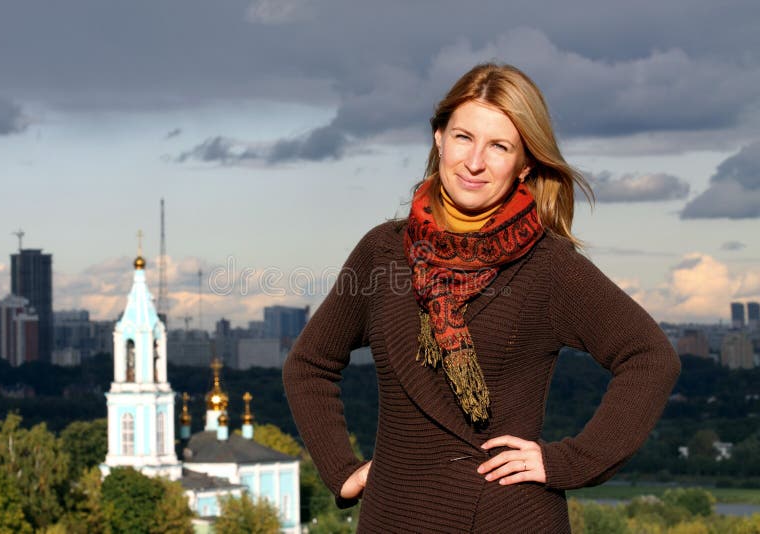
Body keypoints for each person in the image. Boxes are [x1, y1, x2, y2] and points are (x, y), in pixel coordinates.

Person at [283, 63, 680, 533]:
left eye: (499, 146)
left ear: (525, 164)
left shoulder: (548, 265)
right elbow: (309, 363)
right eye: (463, 137)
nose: (475, 162)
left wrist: (571, 461)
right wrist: (342, 470)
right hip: (396, 517)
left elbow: (650, 357)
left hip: (507, 516)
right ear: (439, 139)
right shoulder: (383, 252)